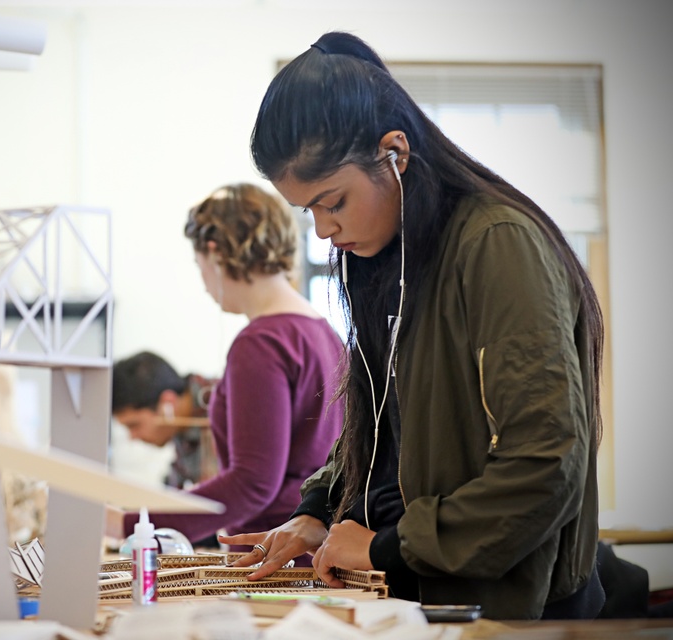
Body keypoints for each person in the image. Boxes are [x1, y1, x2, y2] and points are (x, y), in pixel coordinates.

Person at [219, 31, 606, 620]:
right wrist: (318, 510)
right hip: (418, 596)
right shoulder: (387, 257)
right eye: (309, 212)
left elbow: (545, 464)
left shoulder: (496, 245)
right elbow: (382, 424)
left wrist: (387, 547)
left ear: (394, 153)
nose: (323, 230)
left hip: (505, 610)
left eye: (334, 201)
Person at [109, 182, 347, 563]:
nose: (202, 279)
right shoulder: (324, 332)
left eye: (197, 263)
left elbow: (252, 484)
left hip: (272, 559)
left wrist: (131, 524)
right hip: (307, 551)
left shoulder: (261, 342)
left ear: (214, 253)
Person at [111, 350, 216, 490]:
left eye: (133, 425)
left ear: (168, 402)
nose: (132, 436)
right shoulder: (181, 432)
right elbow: (172, 491)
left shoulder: (226, 407)